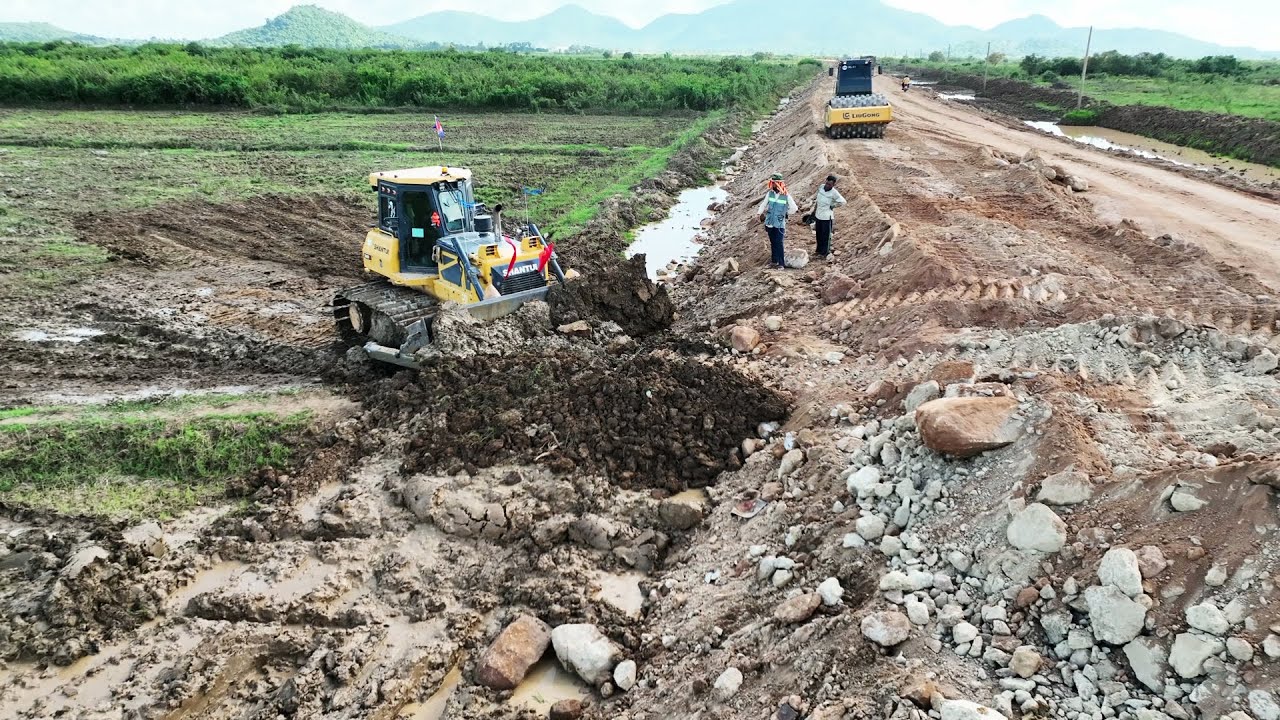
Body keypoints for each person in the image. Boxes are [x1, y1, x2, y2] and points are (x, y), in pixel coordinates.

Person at [756, 172, 798, 269]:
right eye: (773, 183)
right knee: (773, 242)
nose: (774, 185)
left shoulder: (786, 195)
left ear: (779, 183)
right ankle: (774, 261)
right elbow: (763, 204)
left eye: (775, 183)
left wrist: (785, 213)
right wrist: (759, 213)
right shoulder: (770, 194)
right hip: (770, 222)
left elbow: (794, 208)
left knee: (779, 243)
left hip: (779, 224)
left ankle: (781, 263)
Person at [811, 174, 847, 260]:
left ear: (833, 185)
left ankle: (824, 252)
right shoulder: (821, 187)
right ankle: (818, 250)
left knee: (825, 236)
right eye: (827, 183)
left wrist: (833, 205)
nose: (827, 186)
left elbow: (843, 202)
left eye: (830, 185)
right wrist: (814, 211)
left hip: (827, 217)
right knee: (818, 234)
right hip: (819, 215)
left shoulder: (834, 193)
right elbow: (818, 200)